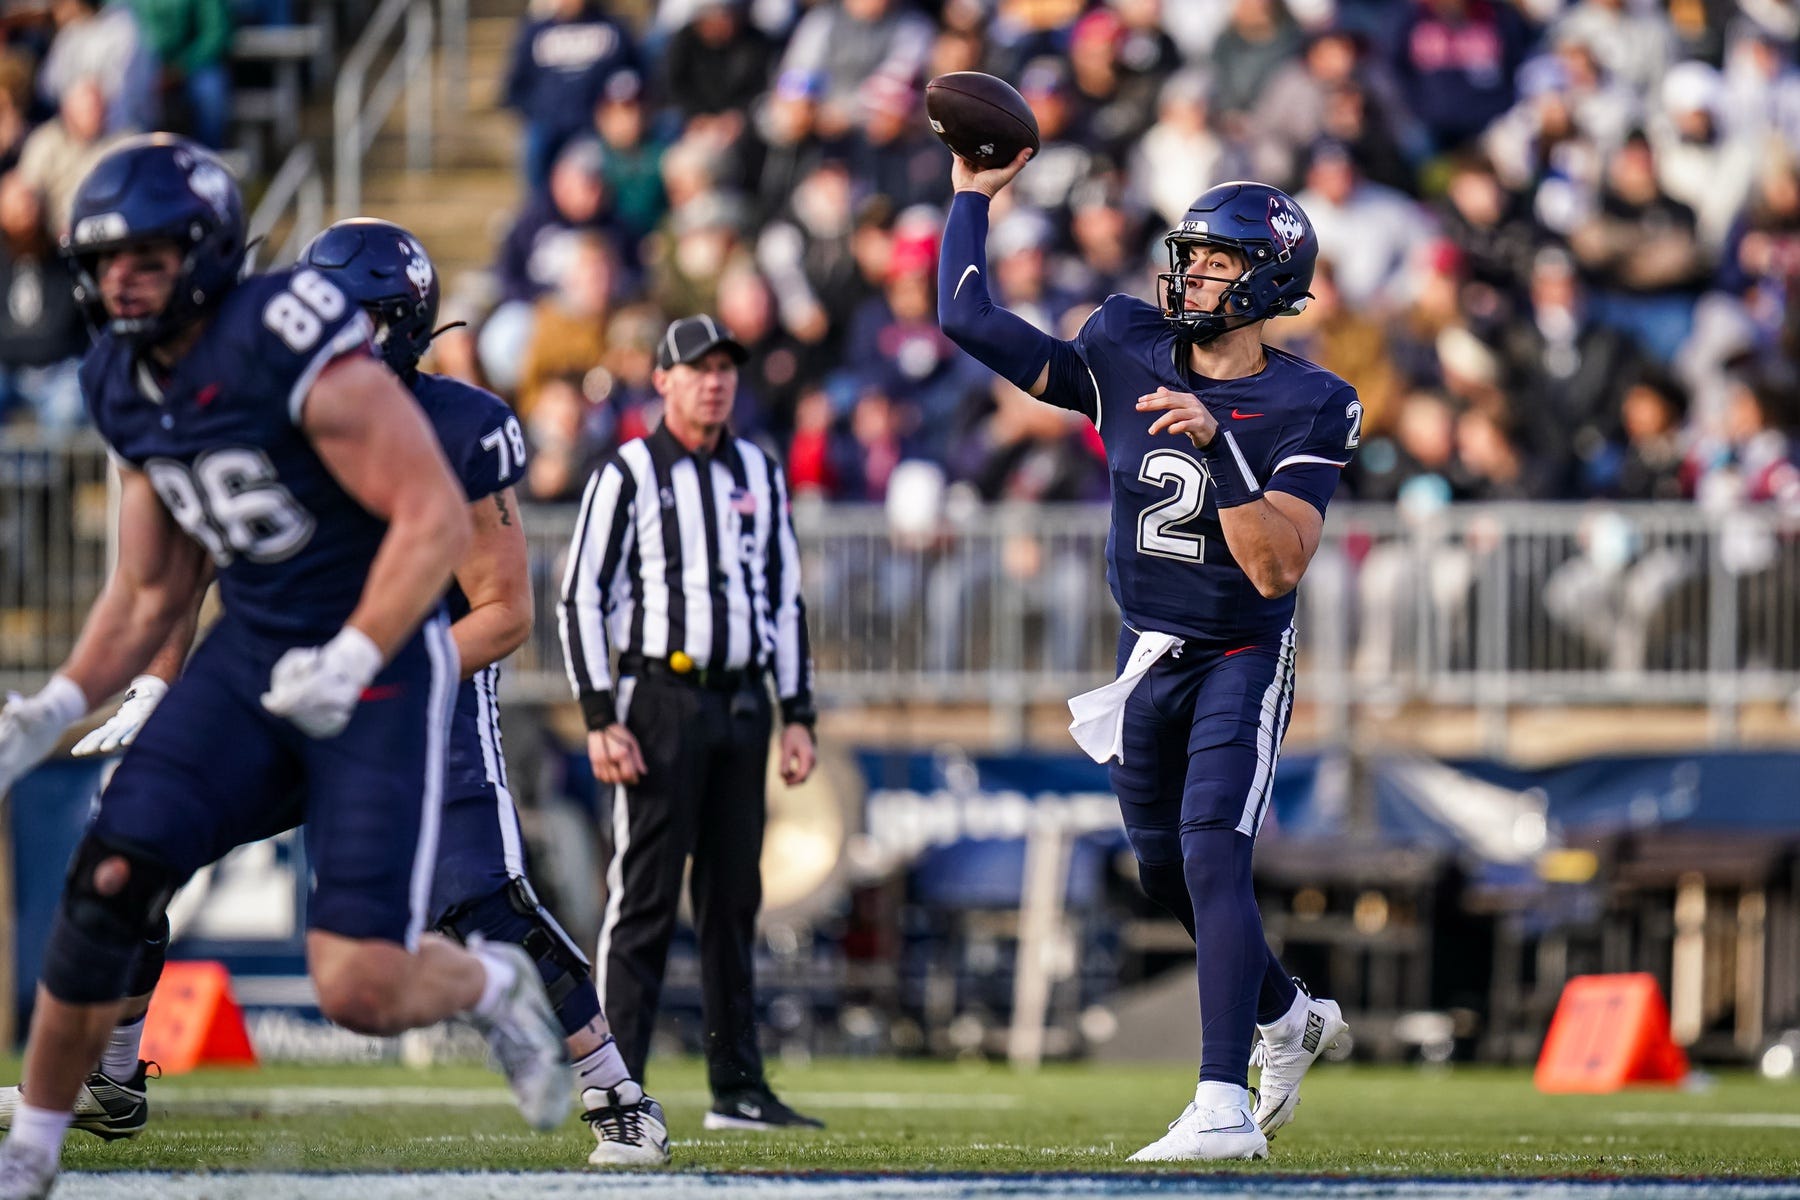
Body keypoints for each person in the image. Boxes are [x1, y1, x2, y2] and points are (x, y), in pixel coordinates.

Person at [0, 218, 671, 1168]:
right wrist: (154, 685)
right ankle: (109, 1080)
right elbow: (177, 568)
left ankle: (615, 1092)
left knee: (475, 896)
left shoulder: (457, 424)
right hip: (274, 680)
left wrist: (371, 662)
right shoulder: (256, 404)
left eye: (344, 319)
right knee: (134, 843)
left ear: (396, 328)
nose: (315, 332)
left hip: (413, 686)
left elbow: (504, 611)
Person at [938, 153, 1355, 1161]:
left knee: (1214, 849)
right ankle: (1287, 1016)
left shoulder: (1314, 402)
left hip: (1242, 652)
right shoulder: (1127, 342)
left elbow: (1274, 570)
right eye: (1191, 259)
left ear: (1266, 281)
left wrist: (1221, 447)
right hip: (1146, 653)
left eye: (1215, 264)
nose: (1191, 279)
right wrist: (971, 196)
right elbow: (968, 322)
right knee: (1165, 870)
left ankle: (1221, 1104)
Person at [557, 314, 823, 1132]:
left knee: (732, 900)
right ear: (663, 381)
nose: (715, 380)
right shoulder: (629, 473)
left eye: (725, 368)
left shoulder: (759, 470)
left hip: (742, 701)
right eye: (697, 368)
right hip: (660, 702)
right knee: (640, 900)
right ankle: (618, 1086)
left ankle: (736, 1085)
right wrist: (601, 715)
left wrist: (797, 714)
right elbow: (579, 597)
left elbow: (783, 599)